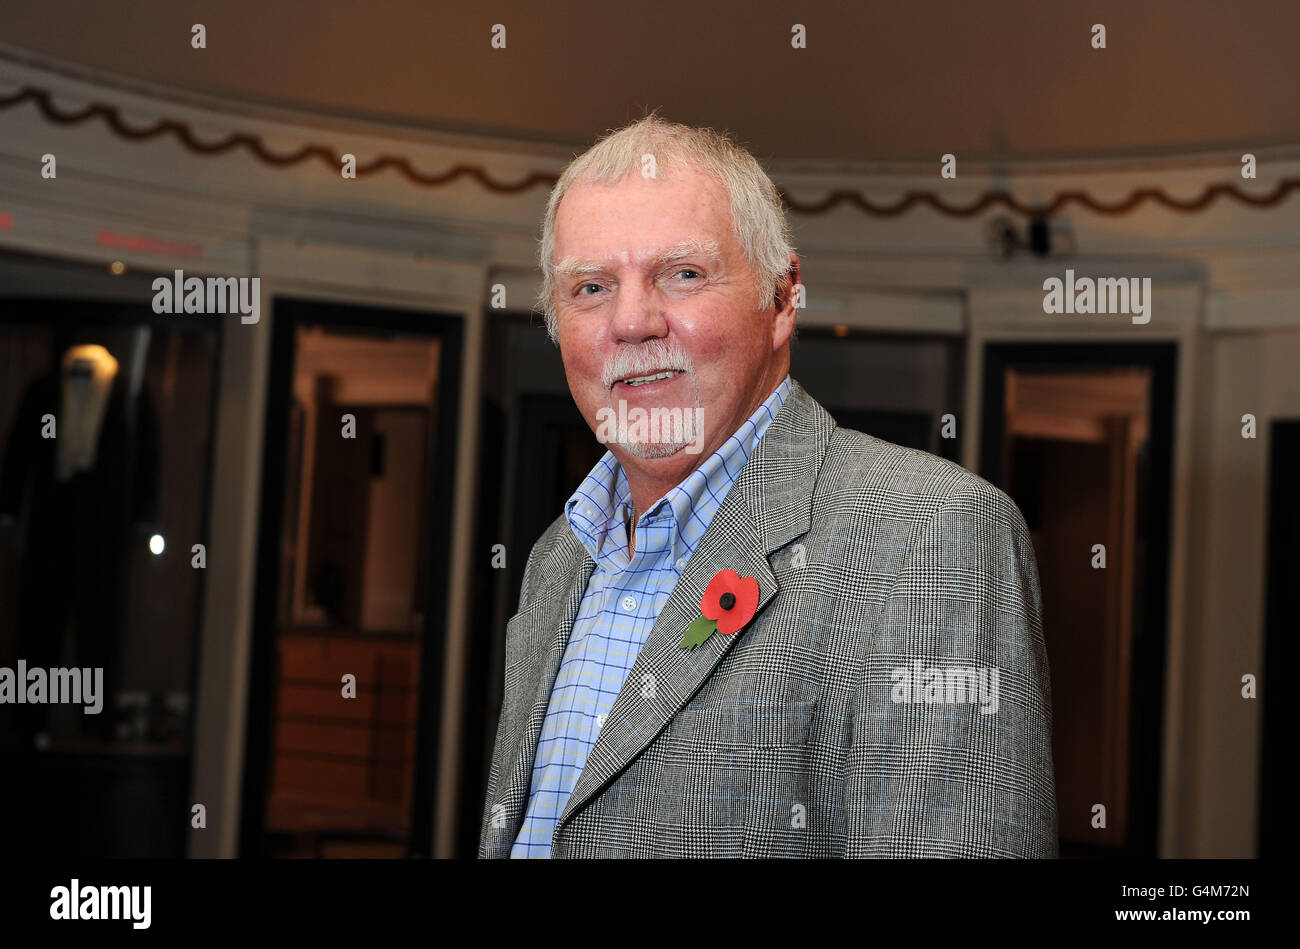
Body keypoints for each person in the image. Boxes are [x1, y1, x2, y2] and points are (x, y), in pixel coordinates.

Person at [478, 114, 1057, 858]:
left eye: (681, 274)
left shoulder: (932, 537)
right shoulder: (558, 555)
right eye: (590, 287)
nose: (630, 320)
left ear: (784, 300)